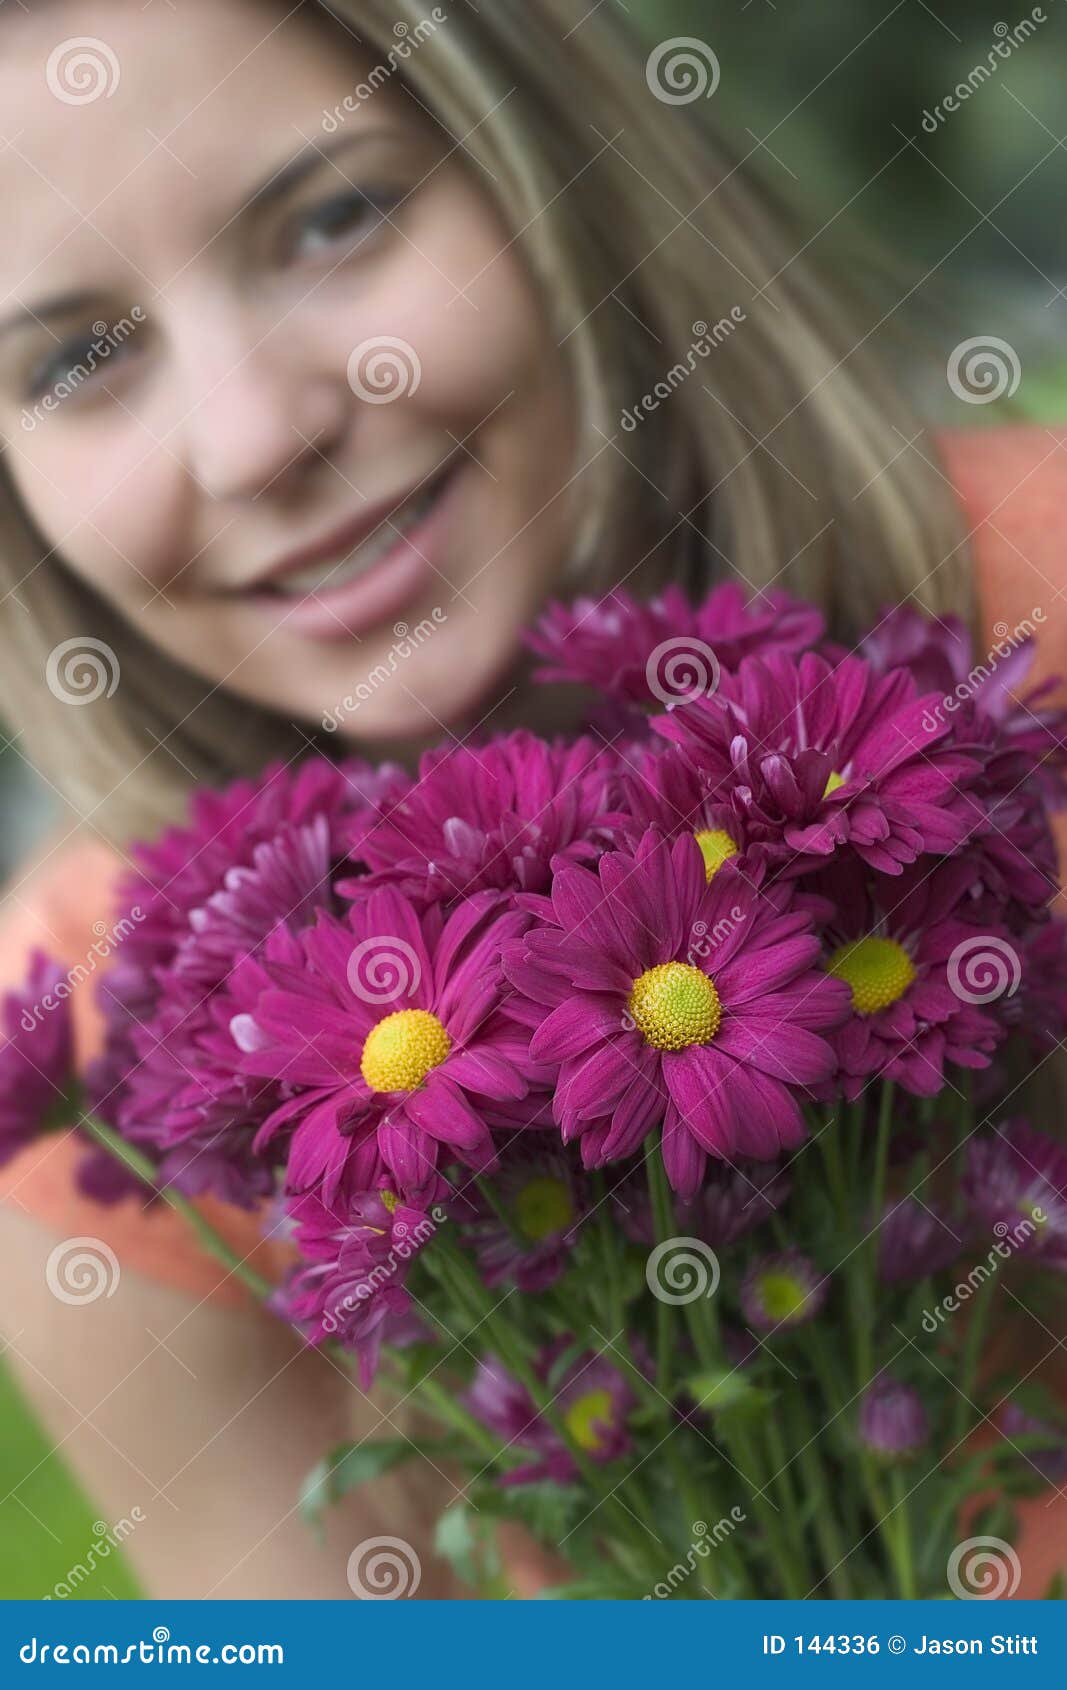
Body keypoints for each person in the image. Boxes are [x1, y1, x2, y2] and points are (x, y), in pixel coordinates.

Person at [0, 0, 1062, 1599]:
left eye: (335, 218)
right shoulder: (97, 1050)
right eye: (78, 356)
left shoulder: (1029, 609)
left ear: (559, 169)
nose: (252, 436)